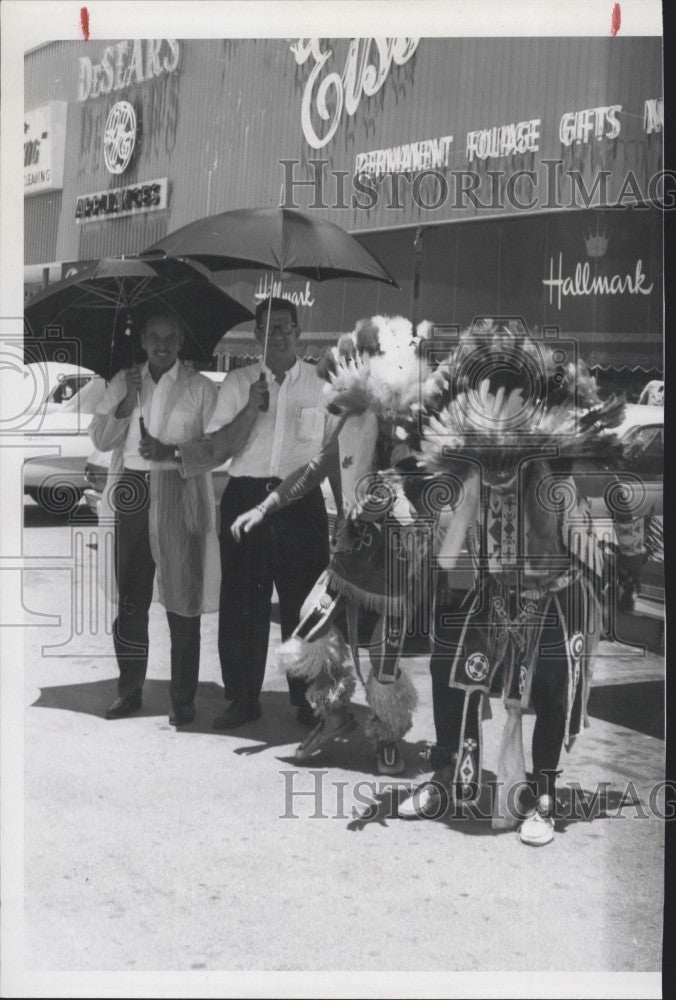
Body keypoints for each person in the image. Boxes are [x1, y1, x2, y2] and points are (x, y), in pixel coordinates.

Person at [395, 323, 626, 844]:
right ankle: (448, 779)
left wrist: (599, 564)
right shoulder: (466, 466)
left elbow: (585, 529)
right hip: (484, 592)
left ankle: (541, 793)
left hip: (547, 591)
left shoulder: (554, 466)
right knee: (447, 664)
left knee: (549, 678)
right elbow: (449, 540)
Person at [231, 315, 429, 775]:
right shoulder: (346, 421)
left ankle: (386, 737)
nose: (346, 376)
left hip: (396, 560)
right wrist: (266, 506)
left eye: (360, 364)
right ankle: (335, 713)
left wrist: (396, 486)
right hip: (350, 551)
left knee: (384, 659)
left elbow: (422, 484)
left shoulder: (404, 421)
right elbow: (313, 470)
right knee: (309, 630)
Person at [182, 297, 329, 730]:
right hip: (246, 497)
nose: (277, 335)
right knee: (243, 604)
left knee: (305, 605)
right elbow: (220, 448)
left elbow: (329, 451)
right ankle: (243, 699)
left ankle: (308, 700)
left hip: (300, 500)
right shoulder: (239, 381)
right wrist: (250, 407)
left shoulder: (321, 383)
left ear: (299, 332)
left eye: (285, 327)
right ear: (257, 335)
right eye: (268, 328)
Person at [90, 310, 219, 725]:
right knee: (131, 598)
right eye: (154, 337)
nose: (162, 344)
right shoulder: (123, 381)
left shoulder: (200, 388)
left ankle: (182, 701)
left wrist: (172, 453)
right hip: (132, 490)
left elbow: (218, 445)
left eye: (170, 337)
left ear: (181, 342)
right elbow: (100, 438)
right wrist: (127, 401)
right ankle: (129, 691)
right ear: (143, 341)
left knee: (183, 601)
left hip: (178, 492)